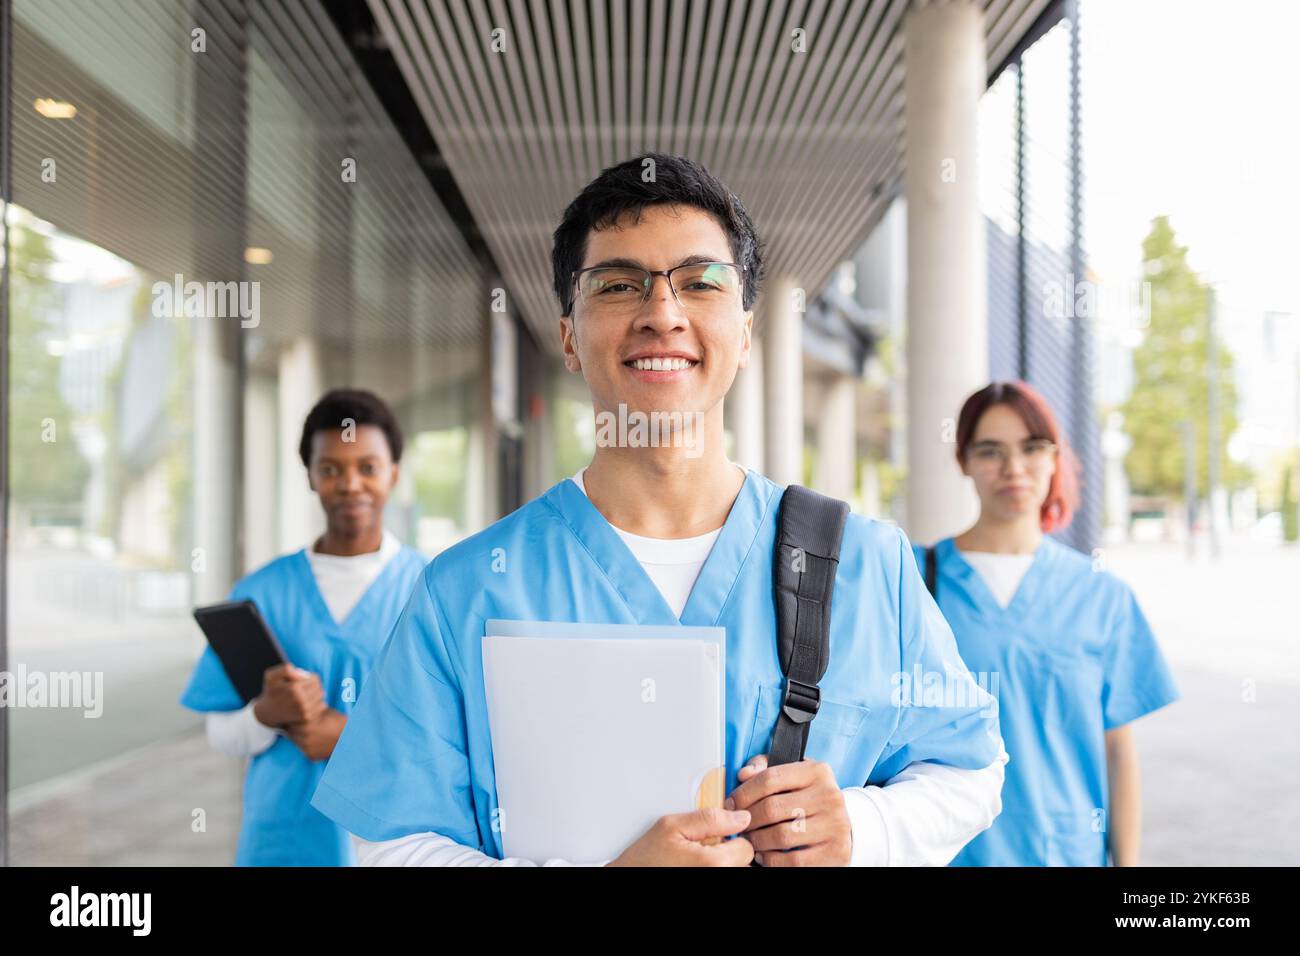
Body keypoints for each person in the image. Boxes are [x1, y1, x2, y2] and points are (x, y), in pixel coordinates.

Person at [312, 153, 1008, 867]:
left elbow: (972, 770)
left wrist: (863, 826)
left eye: (700, 283)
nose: (661, 314)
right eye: (618, 285)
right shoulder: (464, 590)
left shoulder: (866, 563)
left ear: (744, 334)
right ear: (569, 337)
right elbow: (392, 844)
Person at [914, 381, 1179, 866]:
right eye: (991, 451)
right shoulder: (915, 583)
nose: (1014, 469)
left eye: (1032, 448)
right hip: (952, 854)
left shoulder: (1102, 595)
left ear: (1055, 457)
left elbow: (1118, 752)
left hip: (1067, 855)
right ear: (963, 461)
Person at [180, 388, 427, 865]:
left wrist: (353, 742)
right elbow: (221, 735)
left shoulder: (432, 590)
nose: (350, 484)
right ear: (311, 478)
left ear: (393, 473)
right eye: (331, 469)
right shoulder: (261, 592)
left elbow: (462, 739)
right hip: (284, 845)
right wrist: (263, 714)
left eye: (367, 467)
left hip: (396, 846)